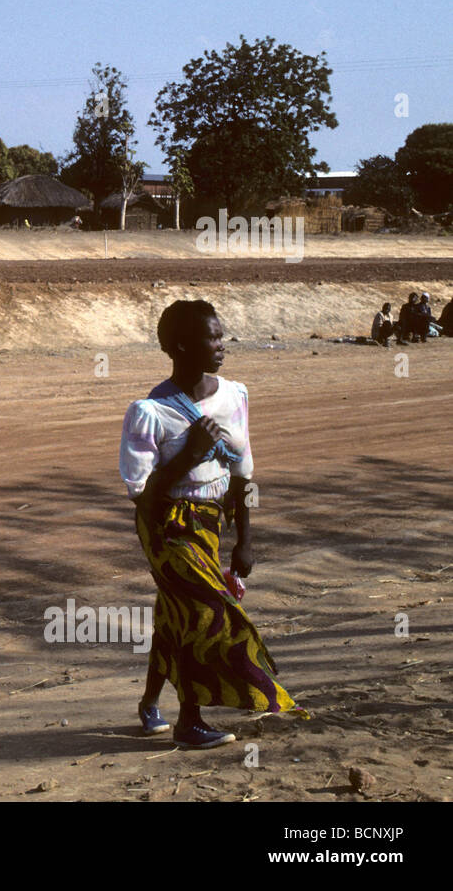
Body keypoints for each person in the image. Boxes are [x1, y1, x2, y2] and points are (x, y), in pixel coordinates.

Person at [120, 299, 307, 749]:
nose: (223, 345)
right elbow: (142, 495)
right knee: (209, 613)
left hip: (210, 523)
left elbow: (242, 474)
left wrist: (245, 539)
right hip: (165, 527)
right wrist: (189, 453)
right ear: (182, 345)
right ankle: (191, 720)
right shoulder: (149, 412)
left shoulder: (235, 395)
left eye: (222, 335)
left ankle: (149, 704)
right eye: (213, 337)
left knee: (176, 618)